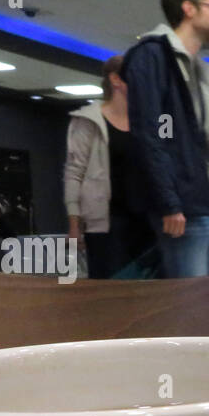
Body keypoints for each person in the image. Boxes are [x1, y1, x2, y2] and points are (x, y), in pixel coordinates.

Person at [121, 0, 209, 278]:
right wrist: (169, 203)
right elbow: (150, 135)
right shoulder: (151, 56)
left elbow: (207, 141)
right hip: (183, 203)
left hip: (208, 199)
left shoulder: (201, 69)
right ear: (189, 8)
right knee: (193, 302)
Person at [63, 55, 155, 279]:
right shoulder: (87, 120)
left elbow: (169, 156)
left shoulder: (155, 118)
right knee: (111, 289)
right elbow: (74, 174)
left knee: (148, 289)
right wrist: (74, 225)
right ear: (116, 80)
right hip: (106, 222)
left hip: (148, 219)